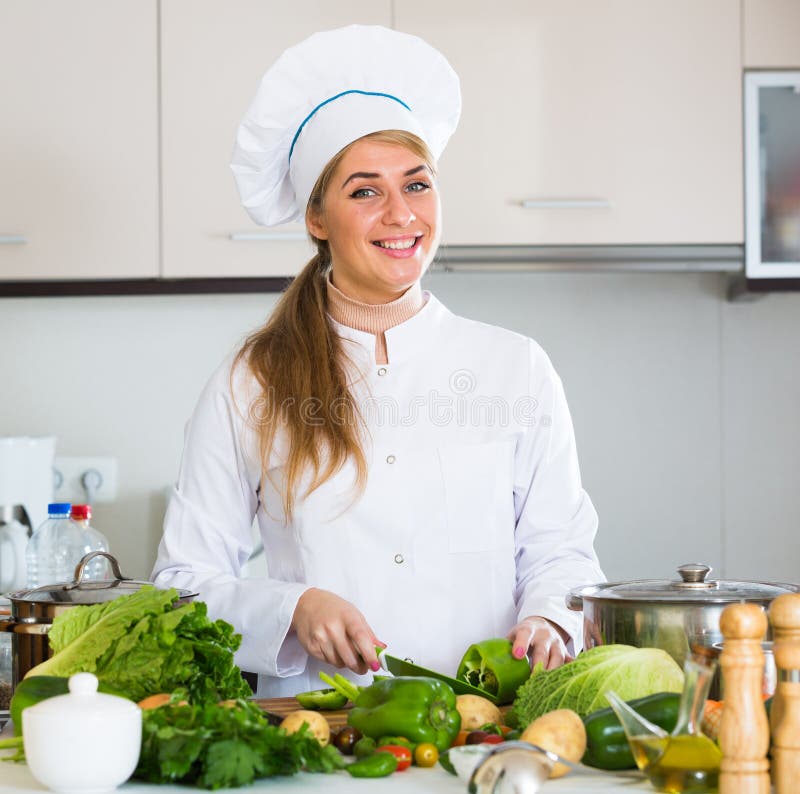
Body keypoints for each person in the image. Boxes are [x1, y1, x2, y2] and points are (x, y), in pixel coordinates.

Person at [152, 25, 604, 698]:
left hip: (487, 726)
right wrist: (293, 608)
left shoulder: (516, 367)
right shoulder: (252, 382)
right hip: (316, 729)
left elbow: (562, 551)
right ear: (317, 219)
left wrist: (549, 618)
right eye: (365, 192)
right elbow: (182, 586)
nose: (401, 214)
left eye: (417, 185)